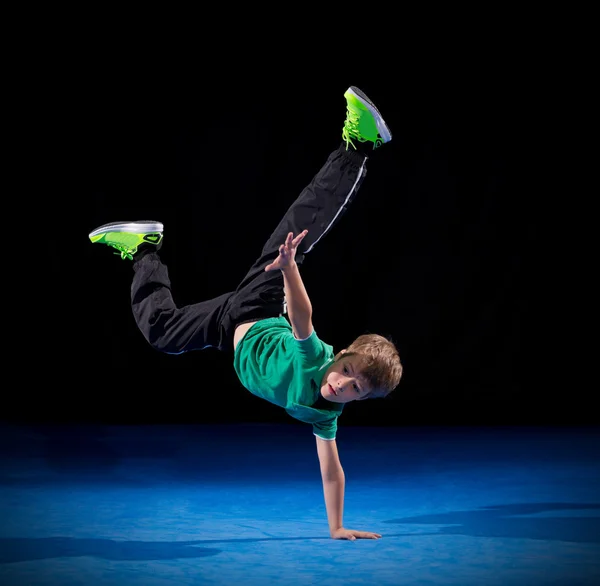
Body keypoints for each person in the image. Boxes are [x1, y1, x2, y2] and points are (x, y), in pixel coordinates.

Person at [89, 86, 403, 541]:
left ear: (359, 401)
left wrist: (336, 526)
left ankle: (144, 249)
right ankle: (359, 144)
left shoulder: (324, 416)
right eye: (348, 370)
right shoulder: (316, 358)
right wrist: (290, 270)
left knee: (160, 332)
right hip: (261, 307)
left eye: (355, 390)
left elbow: (332, 472)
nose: (342, 383)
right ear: (342, 355)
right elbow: (301, 318)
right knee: (299, 230)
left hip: (227, 328)